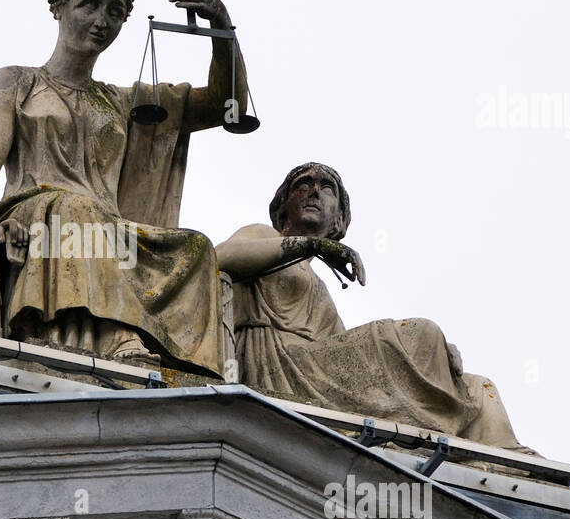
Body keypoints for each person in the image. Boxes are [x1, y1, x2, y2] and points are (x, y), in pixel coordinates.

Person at [0, 0, 249, 376]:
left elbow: (225, 105)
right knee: (75, 207)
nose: (103, 21)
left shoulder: (124, 102)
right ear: (60, 7)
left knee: (195, 248)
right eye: (90, 4)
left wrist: (221, 24)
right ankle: (112, 337)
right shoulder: (16, 83)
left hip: (105, 230)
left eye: (116, 11)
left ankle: (184, 364)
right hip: (35, 215)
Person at [216, 162, 526, 449]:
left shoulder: (321, 291)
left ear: (338, 219)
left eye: (326, 188)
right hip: (281, 366)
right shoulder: (262, 234)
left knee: (479, 387)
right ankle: (438, 420)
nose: (314, 192)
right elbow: (219, 258)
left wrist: (442, 357)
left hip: (312, 374)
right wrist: (310, 245)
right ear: (283, 210)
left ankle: (507, 457)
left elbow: (339, 355)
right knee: (423, 333)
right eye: (303, 185)